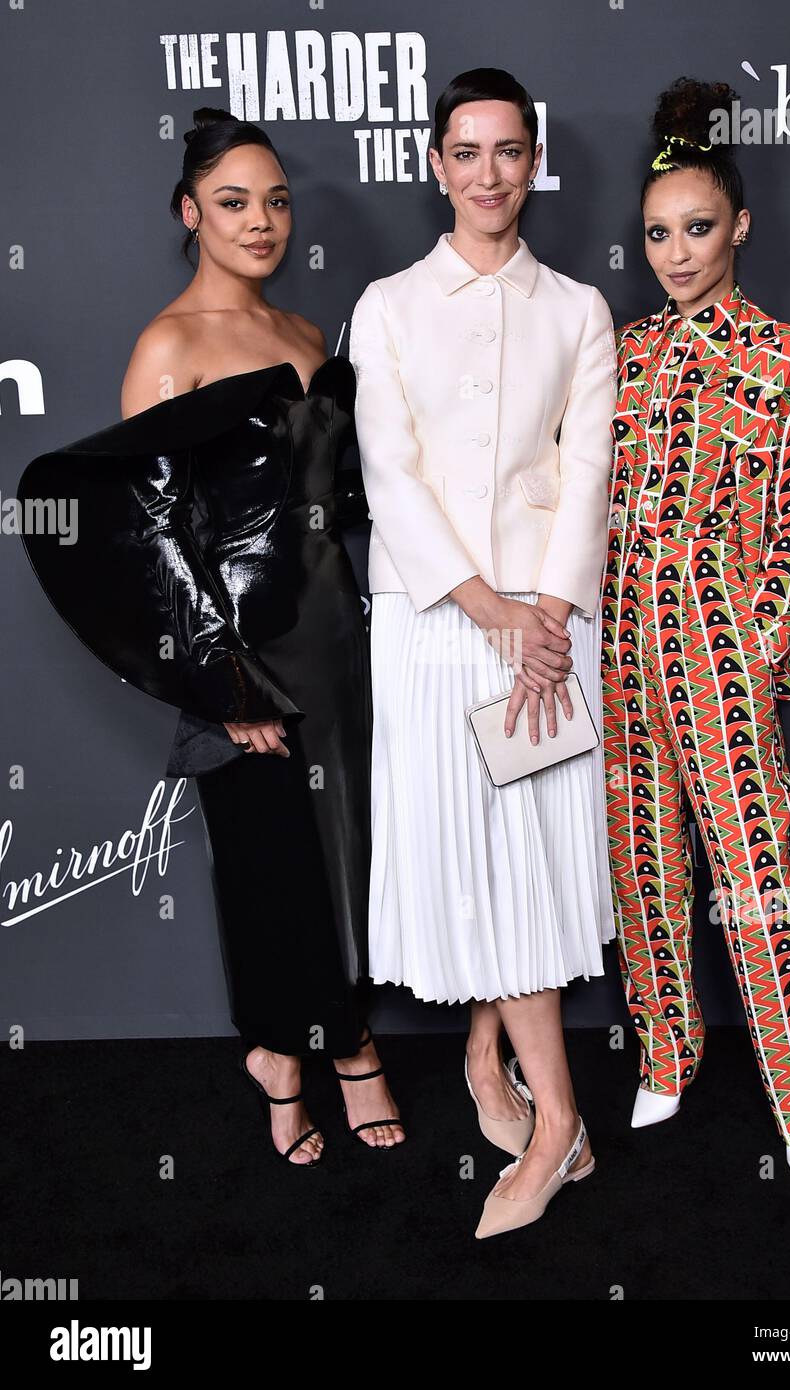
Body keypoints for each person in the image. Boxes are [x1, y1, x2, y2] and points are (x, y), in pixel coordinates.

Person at [17, 107, 404, 1166]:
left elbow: (346, 504)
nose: (261, 221)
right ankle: (327, 1054)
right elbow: (142, 537)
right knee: (272, 867)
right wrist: (225, 687)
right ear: (190, 213)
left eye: (276, 201)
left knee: (346, 864)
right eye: (234, 202)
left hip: (337, 641)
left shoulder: (308, 337)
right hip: (243, 658)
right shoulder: (170, 343)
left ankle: (290, 1051)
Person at [349, 68, 617, 1236]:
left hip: (552, 627)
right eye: (467, 151)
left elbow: (589, 469)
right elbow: (388, 473)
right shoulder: (388, 305)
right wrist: (488, 608)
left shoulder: (579, 308)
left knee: (533, 872)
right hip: (429, 618)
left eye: (509, 151)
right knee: (474, 867)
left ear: (534, 160)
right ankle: (499, 1077)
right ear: (436, 163)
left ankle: (543, 1119)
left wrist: (546, 612)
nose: (489, 174)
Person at [602, 77, 790, 1190]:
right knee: (644, 869)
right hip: (617, 645)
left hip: (716, 647)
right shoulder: (622, 354)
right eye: (656, 234)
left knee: (752, 877)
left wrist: (749, 652)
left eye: (697, 229)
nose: (676, 253)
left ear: (739, 224)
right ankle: (666, 1053)